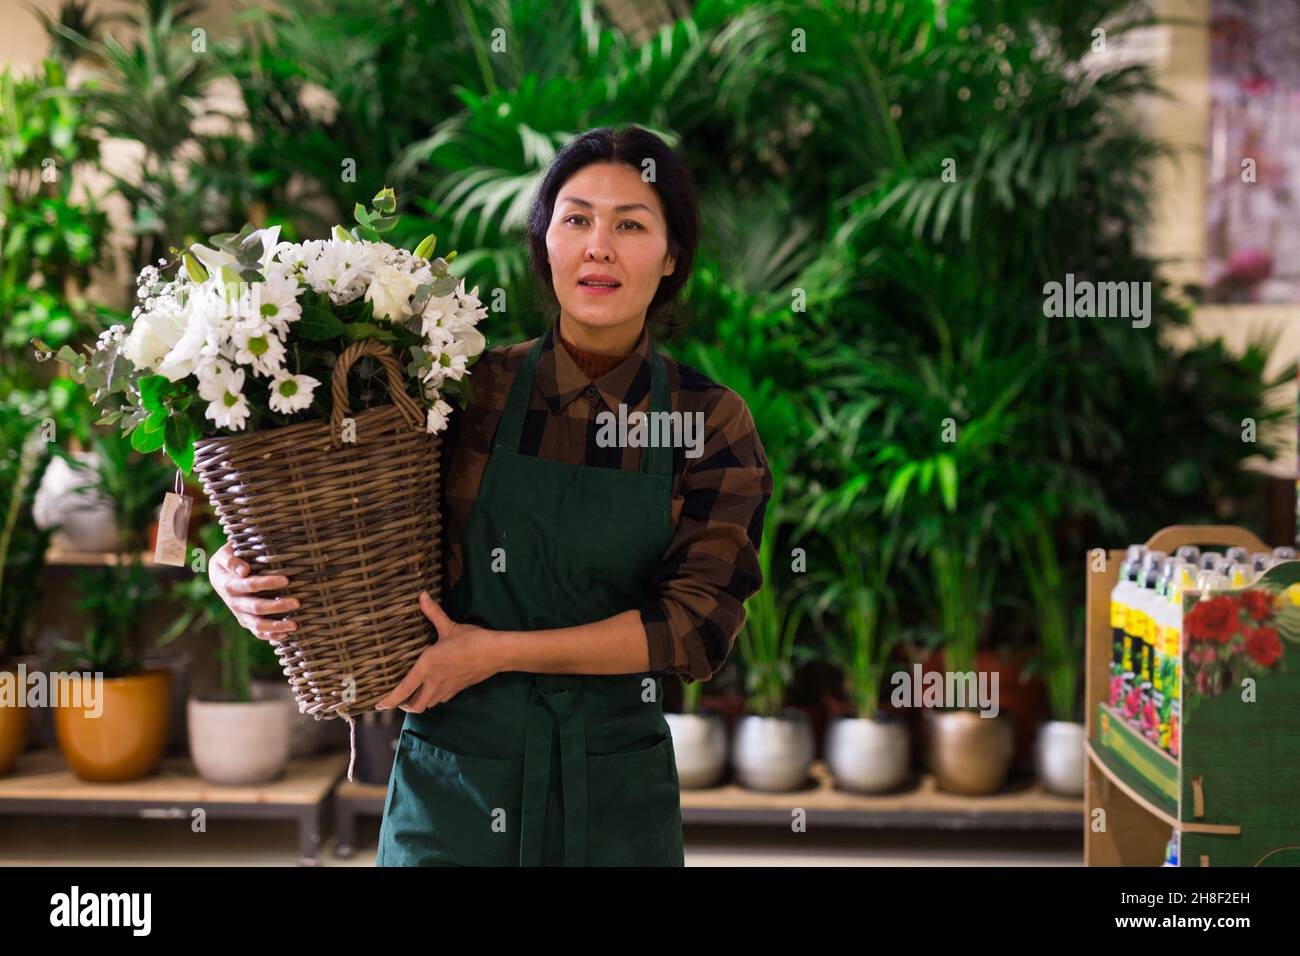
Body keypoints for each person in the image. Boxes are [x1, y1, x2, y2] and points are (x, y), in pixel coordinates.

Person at [209, 125, 773, 866]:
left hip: (613, 795)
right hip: (454, 784)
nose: (598, 246)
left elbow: (694, 628)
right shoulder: (459, 389)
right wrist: (236, 568)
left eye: (630, 224)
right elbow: (329, 504)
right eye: (575, 219)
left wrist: (496, 653)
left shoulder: (707, 421)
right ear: (545, 244)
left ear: (670, 258)